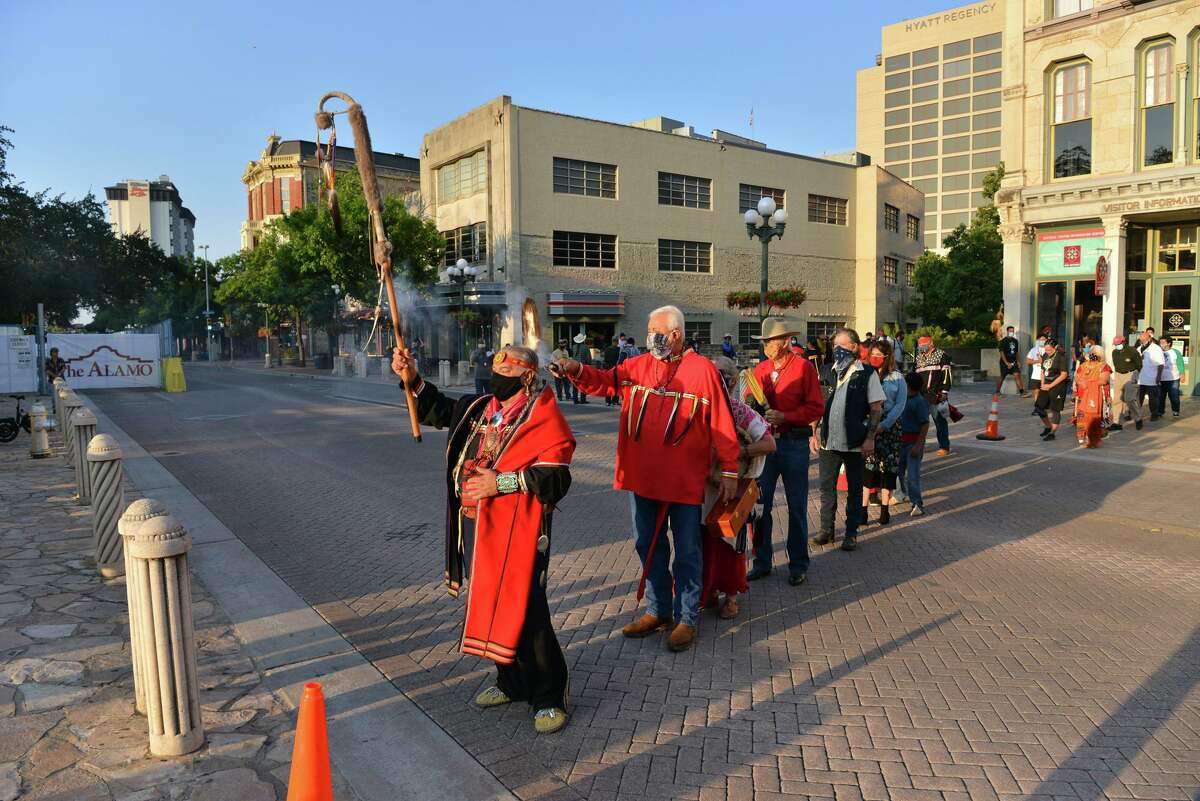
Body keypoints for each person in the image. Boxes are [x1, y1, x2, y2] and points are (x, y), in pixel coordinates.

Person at [391, 344, 575, 734]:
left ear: (526, 378)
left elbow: (556, 479)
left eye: (505, 378)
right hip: (476, 525)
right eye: (494, 375)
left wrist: (501, 482)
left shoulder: (543, 417)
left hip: (520, 532)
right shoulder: (479, 408)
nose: (496, 384)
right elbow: (438, 409)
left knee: (528, 612)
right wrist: (410, 378)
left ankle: (548, 696)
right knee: (489, 601)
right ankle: (511, 681)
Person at [556, 305, 740, 652]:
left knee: (687, 550)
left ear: (676, 335)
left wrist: (730, 469)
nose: (650, 337)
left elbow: (722, 425)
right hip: (642, 478)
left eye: (656, 331)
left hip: (685, 482)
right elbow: (606, 382)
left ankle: (687, 617)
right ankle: (658, 610)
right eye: (648, 330)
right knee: (648, 546)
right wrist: (576, 369)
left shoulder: (703, 371)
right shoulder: (637, 366)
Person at [745, 318, 824, 585]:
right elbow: (750, 407)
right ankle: (762, 561)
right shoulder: (761, 370)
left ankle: (798, 563)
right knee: (759, 505)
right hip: (766, 446)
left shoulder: (803, 368)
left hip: (793, 444)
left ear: (785, 342)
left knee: (797, 505)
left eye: (770, 341)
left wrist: (786, 416)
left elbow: (816, 408)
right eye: (764, 341)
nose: (766, 346)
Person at [704, 356, 775, 619]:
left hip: (732, 489)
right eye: (712, 372)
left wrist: (738, 452)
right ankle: (708, 590)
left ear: (733, 380)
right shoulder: (701, 407)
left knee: (730, 545)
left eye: (722, 373)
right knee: (703, 542)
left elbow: (769, 444)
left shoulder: (741, 411)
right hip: (703, 489)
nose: (717, 377)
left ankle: (731, 597)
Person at [811, 328, 885, 553]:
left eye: (842, 346)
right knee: (826, 488)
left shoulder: (867, 373)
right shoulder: (826, 371)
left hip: (854, 441)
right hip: (827, 440)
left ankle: (851, 533)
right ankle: (826, 530)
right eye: (835, 347)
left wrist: (870, 438)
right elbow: (817, 405)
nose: (837, 351)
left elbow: (875, 408)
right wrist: (812, 433)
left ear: (854, 347)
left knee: (854, 488)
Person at [862, 340, 905, 526]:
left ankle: (885, 510)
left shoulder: (897, 377)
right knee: (867, 468)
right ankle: (862, 510)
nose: (875, 358)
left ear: (887, 357)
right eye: (873, 354)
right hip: (869, 425)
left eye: (879, 356)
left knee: (888, 469)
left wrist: (886, 424)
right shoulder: (865, 374)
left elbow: (900, 404)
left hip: (890, 429)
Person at [914, 335, 953, 456]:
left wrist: (944, 392)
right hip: (920, 396)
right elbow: (914, 376)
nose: (921, 347)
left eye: (923, 344)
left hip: (936, 395)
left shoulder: (942, 355)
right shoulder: (919, 358)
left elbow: (947, 375)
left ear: (931, 343)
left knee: (940, 421)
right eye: (919, 344)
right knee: (919, 422)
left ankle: (944, 446)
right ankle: (920, 444)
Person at [899, 373, 930, 516]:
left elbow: (925, 424)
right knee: (898, 472)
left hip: (913, 442)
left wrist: (918, 445)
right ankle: (900, 493)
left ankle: (917, 503)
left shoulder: (919, 402)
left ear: (909, 386)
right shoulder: (902, 399)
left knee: (912, 475)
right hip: (900, 441)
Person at [1073, 345, 1111, 448]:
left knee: (1094, 418)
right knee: (1082, 417)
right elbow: (1076, 377)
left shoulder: (1104, 366)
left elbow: (1103, 380)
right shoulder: (1083, 365)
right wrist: (1080, 383)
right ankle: (1082, 437)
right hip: (1083, 395)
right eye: (1092, 353)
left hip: (1097, 397)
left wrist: (1087, 382)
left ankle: (1092, 440)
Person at [1035, 338, 1069, 441]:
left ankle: (1052, 432)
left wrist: (1050, 386)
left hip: (1057, 385)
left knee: (1055, 409)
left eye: (1049, 350)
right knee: (1039, 407)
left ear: (1055, 348)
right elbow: (1042, 371)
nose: (1047, 352)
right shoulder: (1045, 355)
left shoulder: (1061, 357)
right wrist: (1043, 384)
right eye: (1046, 349)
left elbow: (1064, 374)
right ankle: (1048, 426)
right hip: (1046, 384)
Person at [1108, 335, 1142, 431]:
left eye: (1118, 344)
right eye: (1115, 344)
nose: (1116, 346)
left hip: (1130, 374)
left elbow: (1139, 365)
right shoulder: (1114, 352)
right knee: (1117, 399)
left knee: (1130, 399)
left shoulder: (1132, 351)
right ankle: (1116, 422)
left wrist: (1135, 376)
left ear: (1124, 342)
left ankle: (1138, 418)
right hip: (1118, 375)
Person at [1135, 329, 1165, 421]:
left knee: (1153, 398)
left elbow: (1161, 363)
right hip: (1140, 379)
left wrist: (1159, 376)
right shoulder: (1139, 349)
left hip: (1152, 378)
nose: (1142, 339)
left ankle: (1154, 414)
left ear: (1149, 338)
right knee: (1138, 398)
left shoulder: (1156, 348)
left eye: (1143, 337)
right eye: (1141, 338)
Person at [996, 326, 1028, 397]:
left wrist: (1018, 361)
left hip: (1013, 362)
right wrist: (1006, 363)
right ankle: (997, 392)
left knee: (1017, 375)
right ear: (1007, 332)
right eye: (1010, 331)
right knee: (1002, 377)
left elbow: (1016, 352)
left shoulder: (1015, 341)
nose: (1011, 332)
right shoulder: (1003, 341)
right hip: (1004, 363)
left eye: (1012, 331)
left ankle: (1021, 392)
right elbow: (1002, 352)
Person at [1157, 336, 1183, 418]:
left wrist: (1182, 374)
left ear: (1169, 343)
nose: (1161, 344)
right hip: (1161, 379)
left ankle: (1175, 411)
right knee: (1161, 397)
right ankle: (1160, 411)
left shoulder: (1175, 352)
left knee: (1174, 396)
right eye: (1160, 342)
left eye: (1163, 342)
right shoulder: (1158, 352)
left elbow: (1180, 364)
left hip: (1173, 379)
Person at [1026, 334, 1046, 413]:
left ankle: (1043, 406)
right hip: (1036, 374)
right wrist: (1038, 361)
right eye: (1041, 339)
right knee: (1036, 391)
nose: (1042, 341)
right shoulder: (1033, 350)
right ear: (1038, 340)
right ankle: (1037, 407)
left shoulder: (1049, 350)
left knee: (1044, 391)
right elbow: (1028, 361)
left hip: (1046, 374)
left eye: (1044, 339)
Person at [570, 333, 591, 404]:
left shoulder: (573, 347)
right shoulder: (585, 347)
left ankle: (575, 399)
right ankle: (582, 399)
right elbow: (588, 359)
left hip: (574, 367)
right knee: (583, 383)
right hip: (582, 368)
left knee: (575, 383)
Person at [603, 337, 621, 406]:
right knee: (616, 385)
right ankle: (615, 400)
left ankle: (608, 401)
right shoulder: (618, 349)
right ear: (616, 342)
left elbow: (605, 359)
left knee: (609, 385)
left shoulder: (607, 349)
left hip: (608, 369)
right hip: (616, 369)